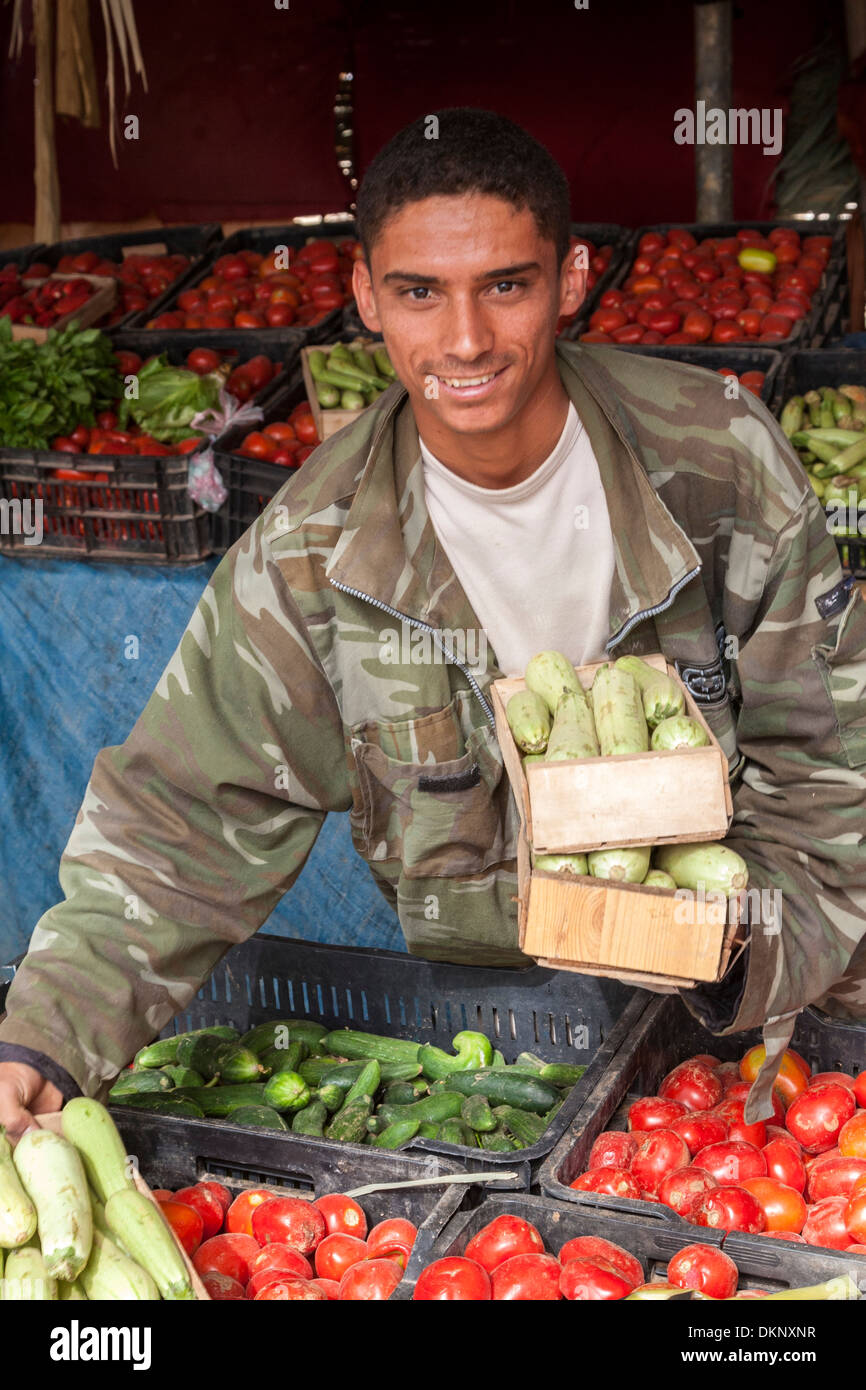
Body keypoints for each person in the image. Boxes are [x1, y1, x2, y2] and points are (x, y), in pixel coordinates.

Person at [0, 109, 864, 1138]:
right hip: (514, 1043)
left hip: (760, 1016)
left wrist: (728, 951)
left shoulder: (717, 463)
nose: (463, 340)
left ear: (571, 278)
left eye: (505, 284)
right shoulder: (312, 556)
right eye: (418, 292)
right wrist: (44, 1036)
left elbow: (829, 778)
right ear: (365, 296)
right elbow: (182, 823)